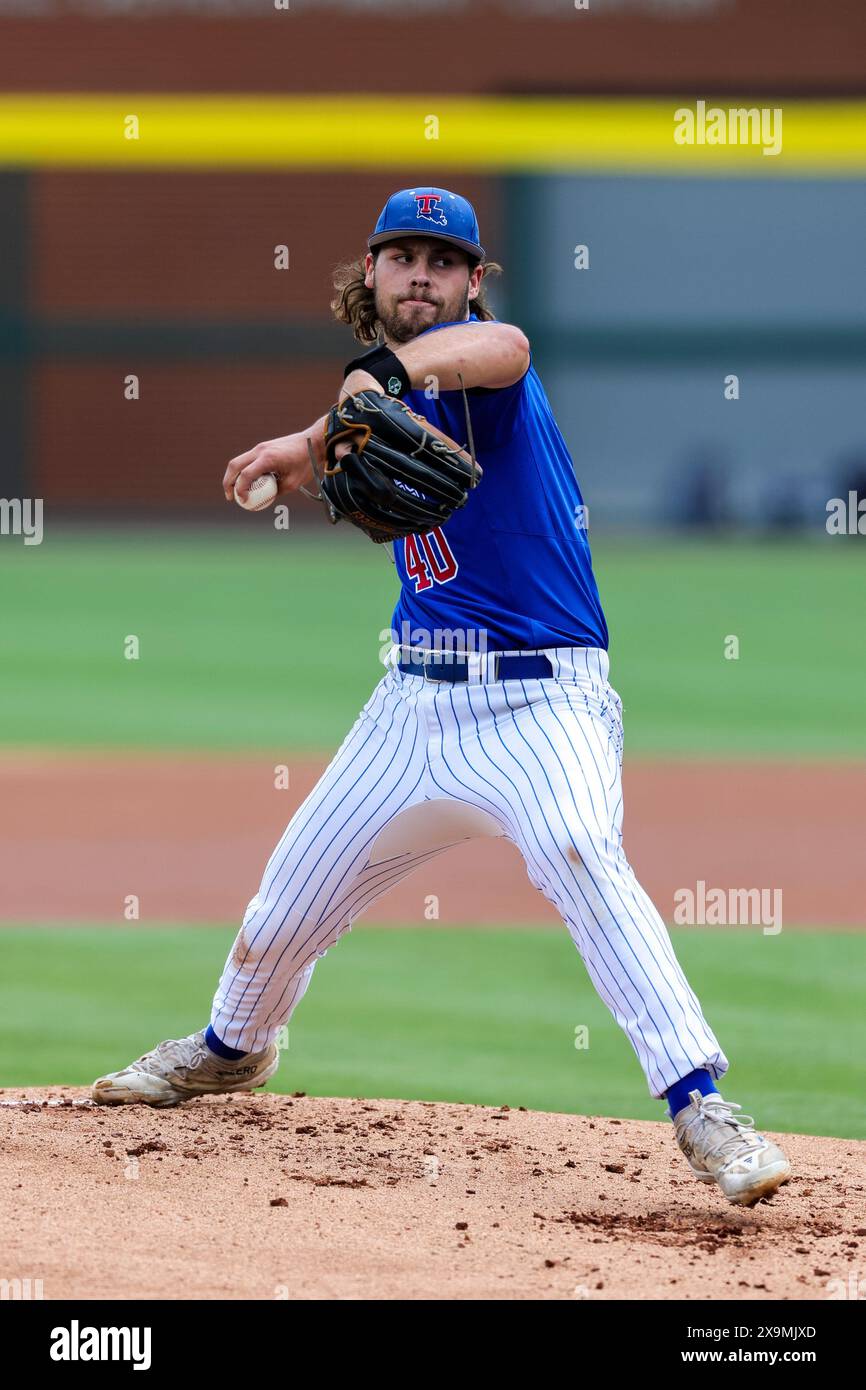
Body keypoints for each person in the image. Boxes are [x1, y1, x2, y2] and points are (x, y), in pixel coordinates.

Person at [92, 186, 791, 1208]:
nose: (421, 274)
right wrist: (305, 447)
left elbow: (502, 348)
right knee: (280, 914)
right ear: (370, 274)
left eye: (444, 260)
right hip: (409, 708)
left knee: (579, 852)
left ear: (471, 281)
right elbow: (363, 416)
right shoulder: (372, 405)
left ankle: (702, 1105)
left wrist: (377, 378)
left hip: (541, 703)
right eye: (403, 257)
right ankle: (231, 1048)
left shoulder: (481, 373)